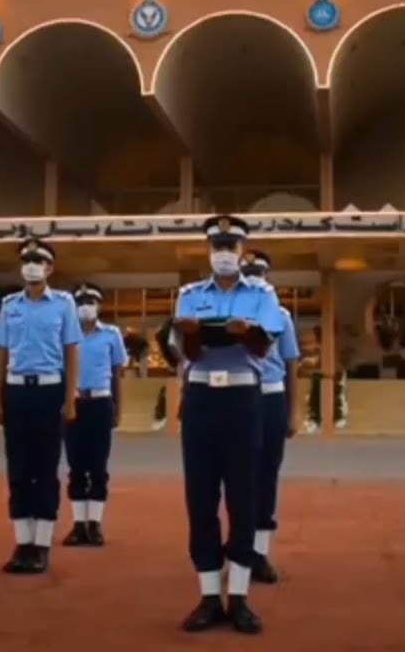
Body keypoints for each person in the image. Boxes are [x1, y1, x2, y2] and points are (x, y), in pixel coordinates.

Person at [170, 215, 288, 635]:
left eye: (230, 246)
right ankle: (207, 597)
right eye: (217, 246)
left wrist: (247, 331)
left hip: (242, 397)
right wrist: (194, 335)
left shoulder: (261, 295)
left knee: (243, 495)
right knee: (200, 497)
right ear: (208, 251)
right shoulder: (189, 295)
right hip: (201, 396)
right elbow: (185, 352)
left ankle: (238, 597)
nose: (223, 254)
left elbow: (263, 345)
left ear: (241, 251)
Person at [0, 238, 83, 575]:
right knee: (18, 469)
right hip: (17, 390)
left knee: (45, 468)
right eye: (26, 260)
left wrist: (70, 397)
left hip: (49, 390)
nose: (31, 266)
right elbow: (2, 353)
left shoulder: (64, 303)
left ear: (49, 268)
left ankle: (42, 544)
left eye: (38, 260)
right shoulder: (9, 305)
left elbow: (71, 351)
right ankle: (22, 542)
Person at [239, 250, 300, 585]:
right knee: (236, 474)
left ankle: (259, 552)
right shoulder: (230, 314)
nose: (253, 278)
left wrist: (293, 411)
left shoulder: (280, 316)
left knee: (266, 475)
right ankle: (239, 548)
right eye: (247, 272)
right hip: (237, 396)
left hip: (271, 397)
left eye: (258, 273)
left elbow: (291, 364)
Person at [62, 283, 128, 547]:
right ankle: (79, 524)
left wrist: (117, 408)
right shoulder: (66, 335)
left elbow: (117, 375)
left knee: (98, 465)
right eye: (81, 302)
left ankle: (95, 523)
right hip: (75, 401)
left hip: (101, 402)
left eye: (91, 301)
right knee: (76, 464)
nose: (86, 307)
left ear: (99, 306)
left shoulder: (111, 334)